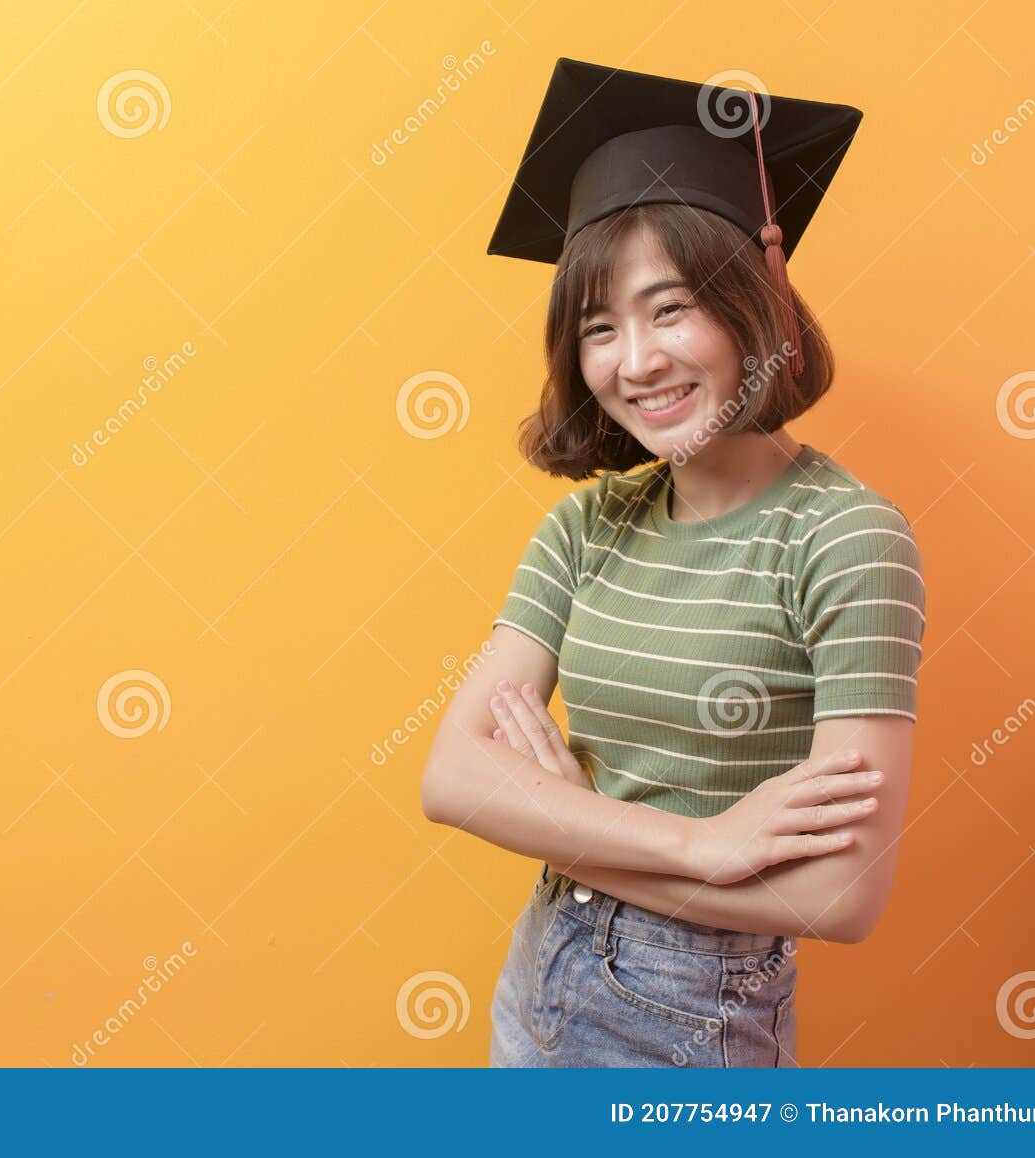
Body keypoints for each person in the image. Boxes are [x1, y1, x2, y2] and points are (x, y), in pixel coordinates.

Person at [419, 59, 926, 1067]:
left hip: (693, 1015)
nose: (634, 361)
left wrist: (563, 821)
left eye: (669, 307)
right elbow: (449, 776)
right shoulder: (586, 528)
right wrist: (700, 841)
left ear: (752, 306)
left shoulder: (845, 538)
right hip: (539, 978)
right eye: (597, 326)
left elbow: (839, 895)